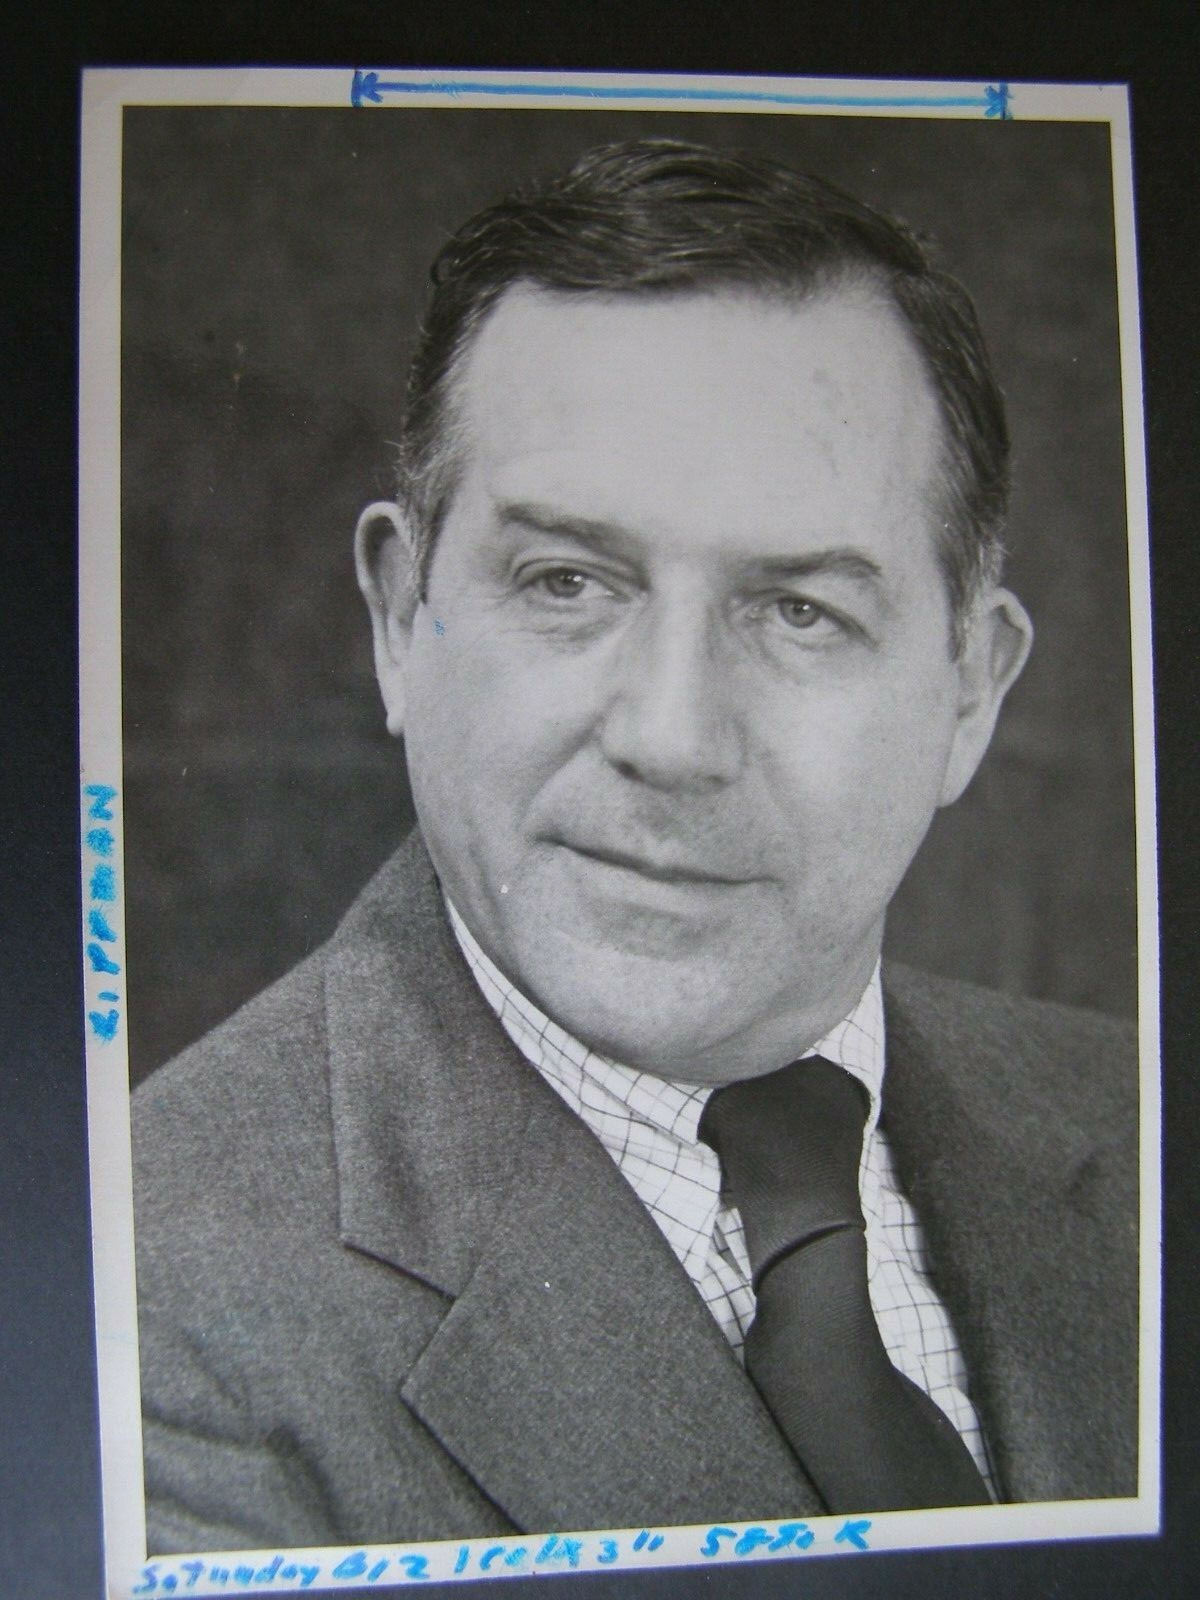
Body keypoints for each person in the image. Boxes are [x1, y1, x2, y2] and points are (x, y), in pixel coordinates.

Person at [133, 139, 1138, 1555]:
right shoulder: (143, 1313)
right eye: (566, 581)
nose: (672, 737)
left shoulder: (1149, 1127)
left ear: (971, 691)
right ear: (395, 625)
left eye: (798, 610)